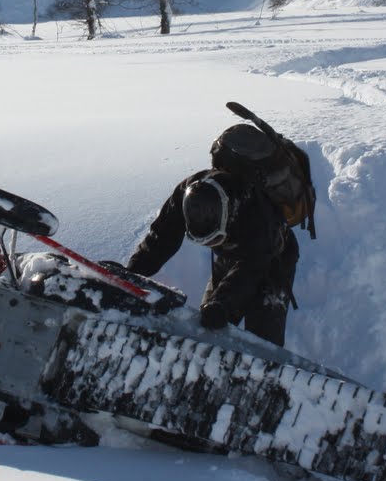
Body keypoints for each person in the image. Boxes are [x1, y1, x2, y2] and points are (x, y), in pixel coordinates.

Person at [126, 124, 303, 345]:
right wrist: (132, 272)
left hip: (272, 260)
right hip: (233, 257)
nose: (213, 244)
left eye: (215, 239)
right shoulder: (188, 193)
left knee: (262, 337)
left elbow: (250, 270)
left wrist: (223, 304)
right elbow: (160, 237)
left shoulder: (256, 220)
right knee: (208, 328)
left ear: (229, 215)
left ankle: (265, 373)